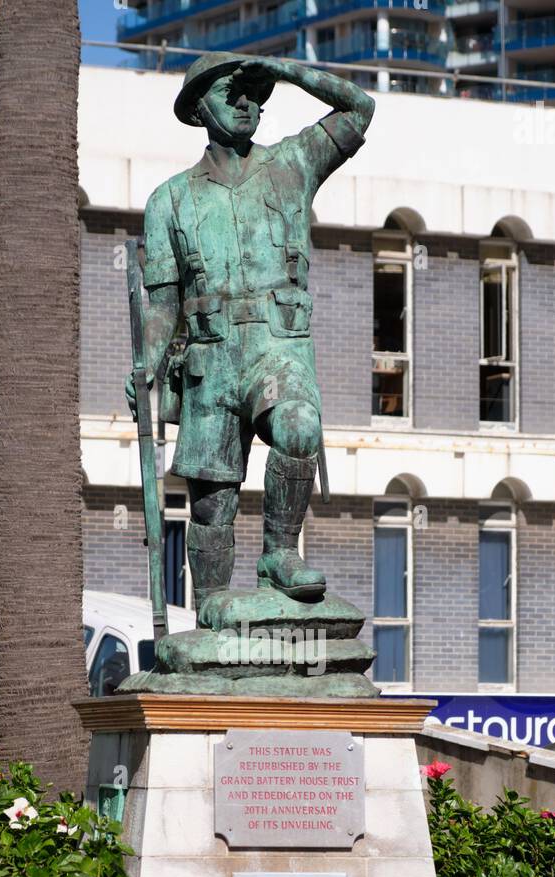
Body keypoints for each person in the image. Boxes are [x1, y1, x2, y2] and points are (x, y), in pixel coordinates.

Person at [127, 53, 374, 616]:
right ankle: (211, 602)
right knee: (212, 503)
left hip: (276, 345)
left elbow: (360, 108)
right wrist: (147, 369)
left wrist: (284, 69)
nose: (246, 103)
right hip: (209, 360)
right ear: (198, 108)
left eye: (256, 94)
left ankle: (279, 553)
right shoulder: (170, 200)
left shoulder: (292, 163)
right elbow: (163, 303)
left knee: (298, 425)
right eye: (231, 92)